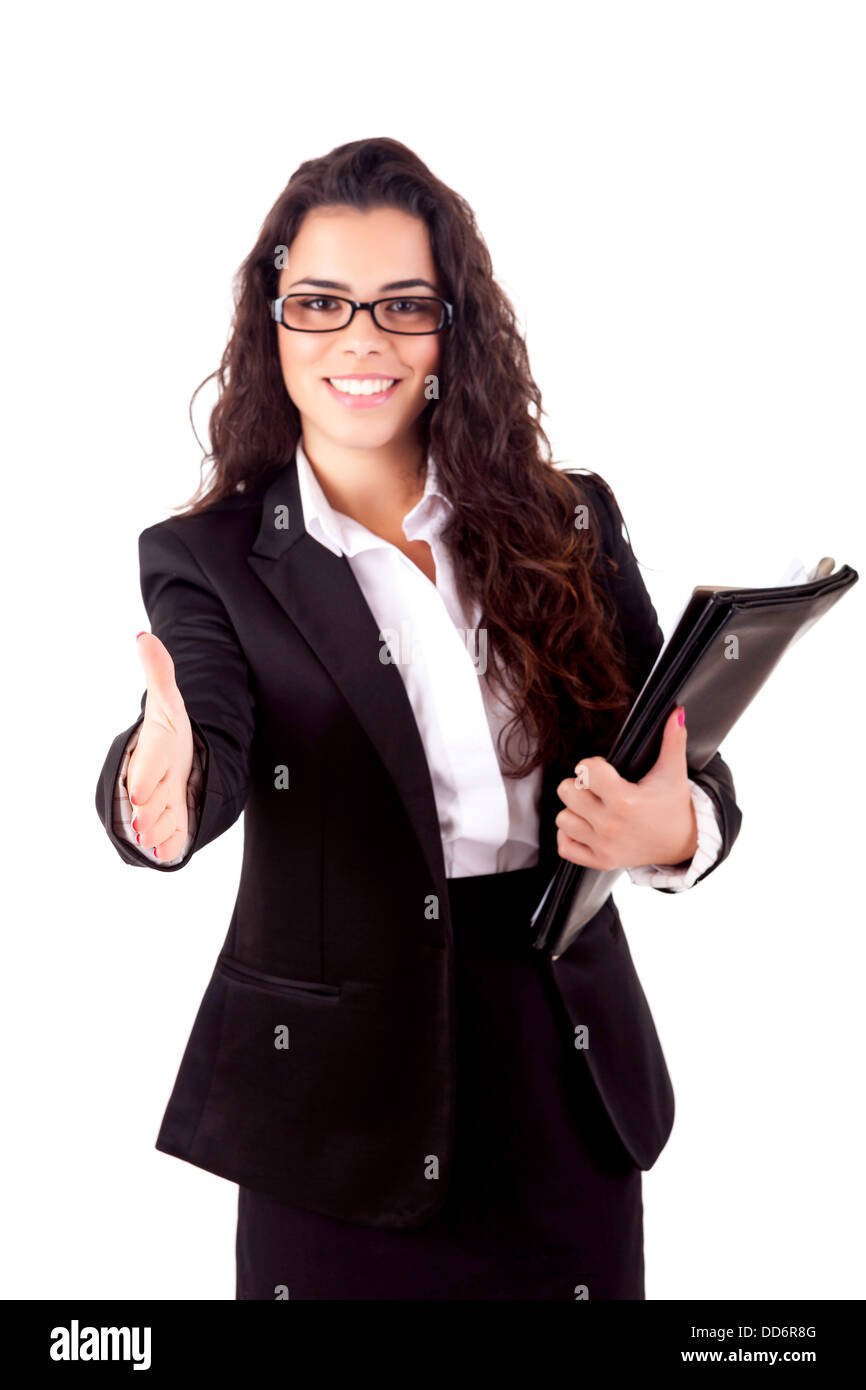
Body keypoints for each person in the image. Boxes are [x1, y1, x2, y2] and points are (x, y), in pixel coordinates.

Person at [95, 137, 742, 1300]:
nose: (360, 338)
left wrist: (673, 829)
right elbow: (205, 746)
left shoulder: (566, 522)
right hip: (337, 1117)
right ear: (273, 324)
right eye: (320, 302)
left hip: (560, 1067)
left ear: (453, 331)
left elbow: (687, 759)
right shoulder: (213, 560)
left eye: (403, 305)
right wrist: (164, 786)